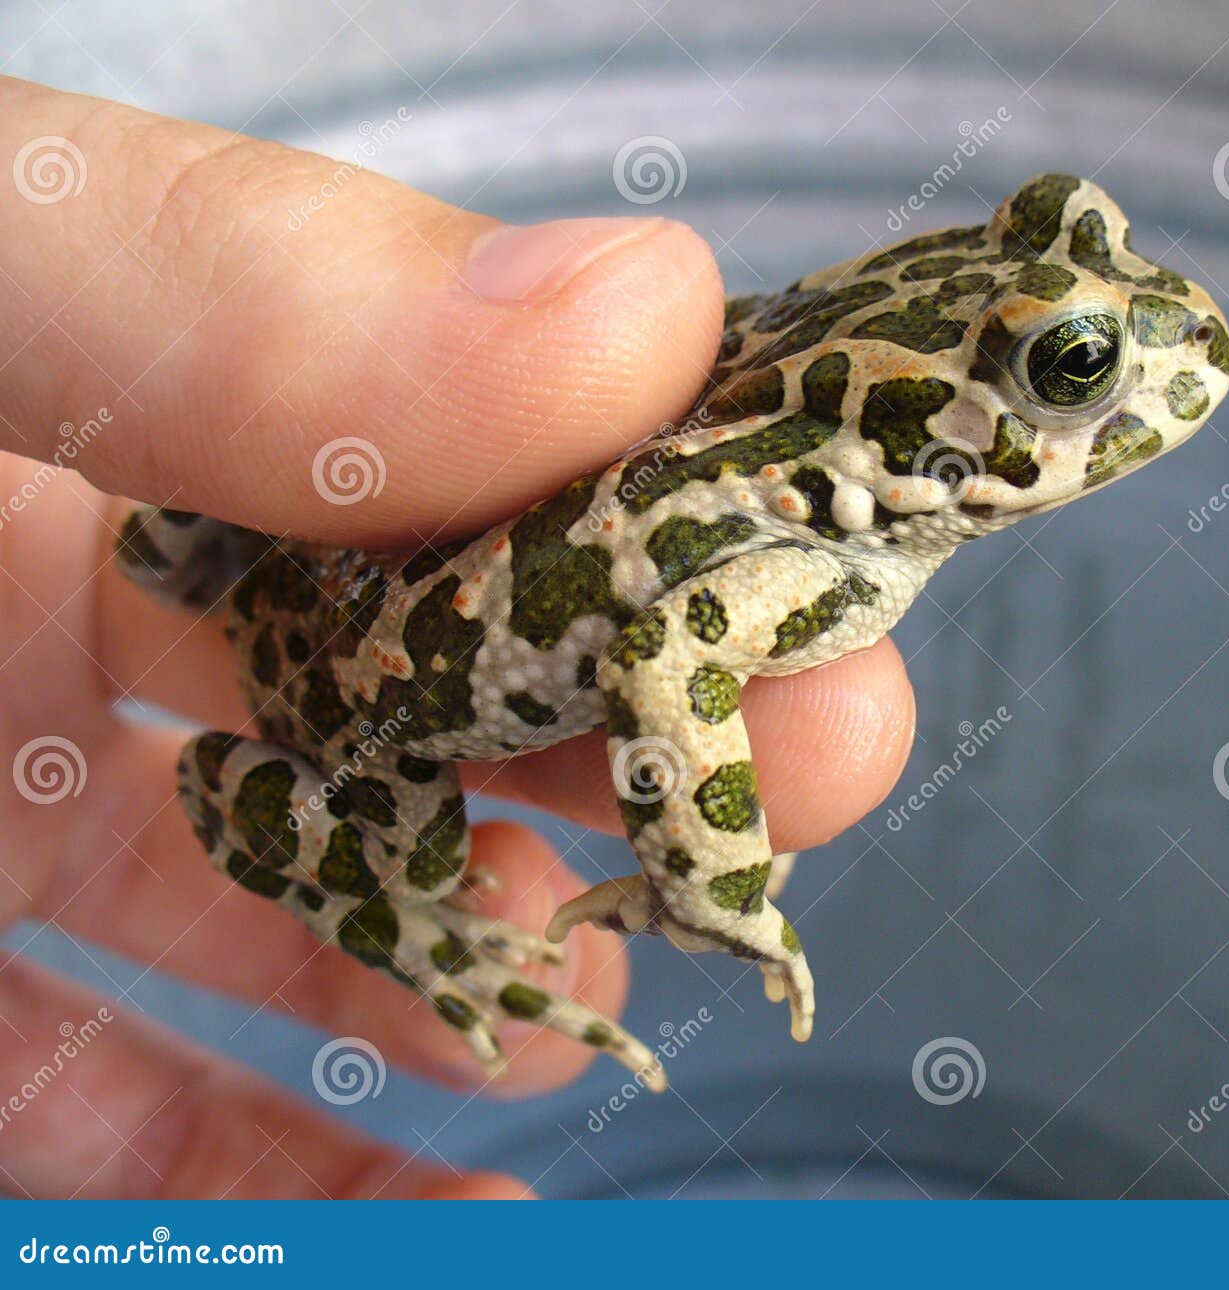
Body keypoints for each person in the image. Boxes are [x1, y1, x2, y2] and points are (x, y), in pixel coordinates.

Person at [0, 74, 914, 1199]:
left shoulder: (798, 447)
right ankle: (380, 911)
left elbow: (665, 653)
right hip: (364, 711)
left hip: (305, 553)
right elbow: (664, 662)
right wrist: (712, 883)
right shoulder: (805, 528)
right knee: (420, 863)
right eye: (1073, 374)